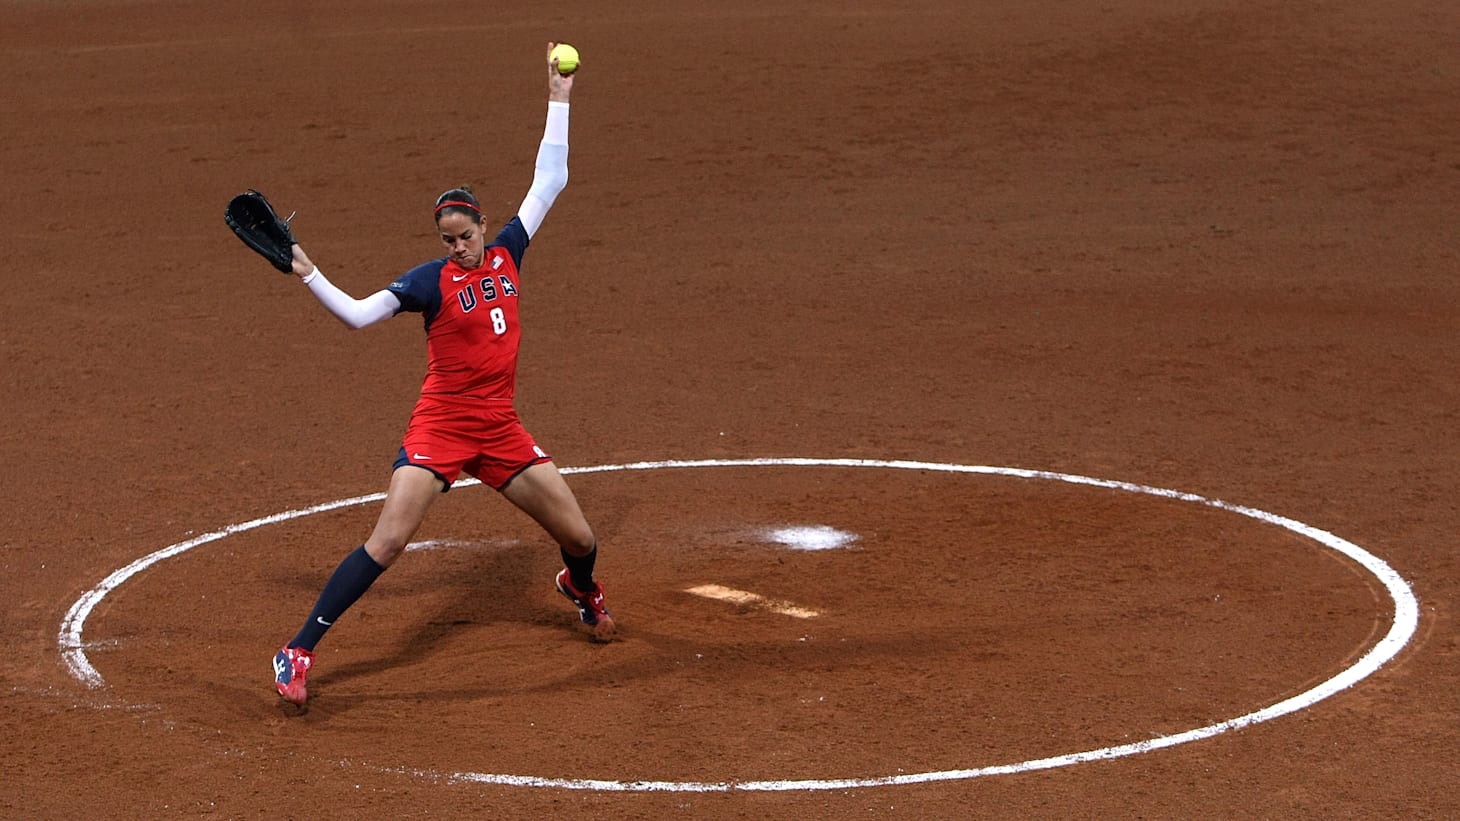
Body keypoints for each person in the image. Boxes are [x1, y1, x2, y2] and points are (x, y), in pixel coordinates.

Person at [267, 43, 612, 708]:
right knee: (390, 539)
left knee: (579, 536)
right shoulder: (429, 282)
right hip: (443, 426)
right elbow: (359, 317)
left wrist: (558, 95)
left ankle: (581, 587)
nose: (458, 247)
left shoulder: (509, 251)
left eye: (465, 235)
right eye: (448, 240)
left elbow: (552, 179)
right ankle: (298, 649)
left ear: (483, 224)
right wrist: (310, 274)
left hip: (499, 426)